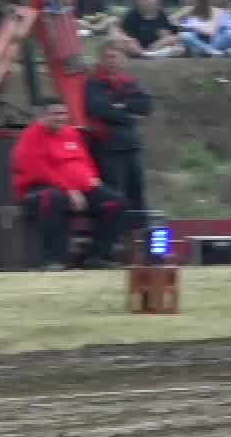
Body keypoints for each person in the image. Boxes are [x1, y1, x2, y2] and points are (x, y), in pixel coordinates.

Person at [11, 98, 126, 271]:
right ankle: (52, 260)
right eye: (56, 114)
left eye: (64, 113)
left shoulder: (71, 133)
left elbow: (85, 160)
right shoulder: (31, 136)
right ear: (42, 116)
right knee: (52, 198)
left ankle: (99, 256)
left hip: (79, 190)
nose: (62, 117)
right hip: (39, 189)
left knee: (114, 202)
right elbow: (38, 171)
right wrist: (68, 189)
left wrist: (93, 179)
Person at [84, 43, 154, 213]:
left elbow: (145, 106)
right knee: (116, 193)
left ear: (123, 60)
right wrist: (128, 114)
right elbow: (99, 109)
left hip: (132, 146)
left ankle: (137, 229)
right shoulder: (94, 83)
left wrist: (118, 107)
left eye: (115, 57)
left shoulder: (130, 82)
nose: (112, 61)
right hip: (109, 148)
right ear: (101, 60)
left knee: (137, 190)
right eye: (108, 57)